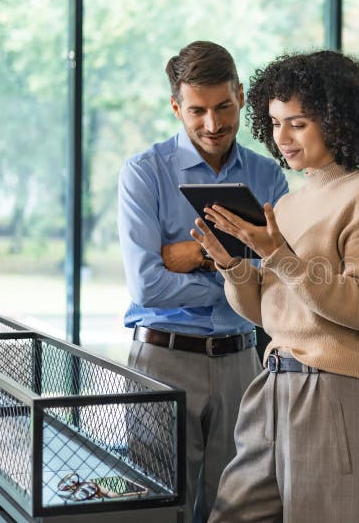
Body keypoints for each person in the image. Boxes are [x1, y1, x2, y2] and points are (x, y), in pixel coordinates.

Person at [190, 51, 359, 522]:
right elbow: (270, 313)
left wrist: (279, 257)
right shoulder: (286, 206)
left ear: (337, 121)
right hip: (272, 388)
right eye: (275, 123)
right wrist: (232, 265)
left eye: (298, 124)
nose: (282, 138)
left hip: (335, 398)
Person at [117, 41, 288, 522]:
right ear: (176, 106)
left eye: (223, 107)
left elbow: (278, 280)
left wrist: (194, 256)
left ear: (239, 93)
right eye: (197, 111)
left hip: (242, 363)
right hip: (162, 362)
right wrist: (238, 269)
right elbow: (147, 288)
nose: (212, 125)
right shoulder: (143, 173)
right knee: (156, 509)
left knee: (236, 508)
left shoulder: (268, 175)